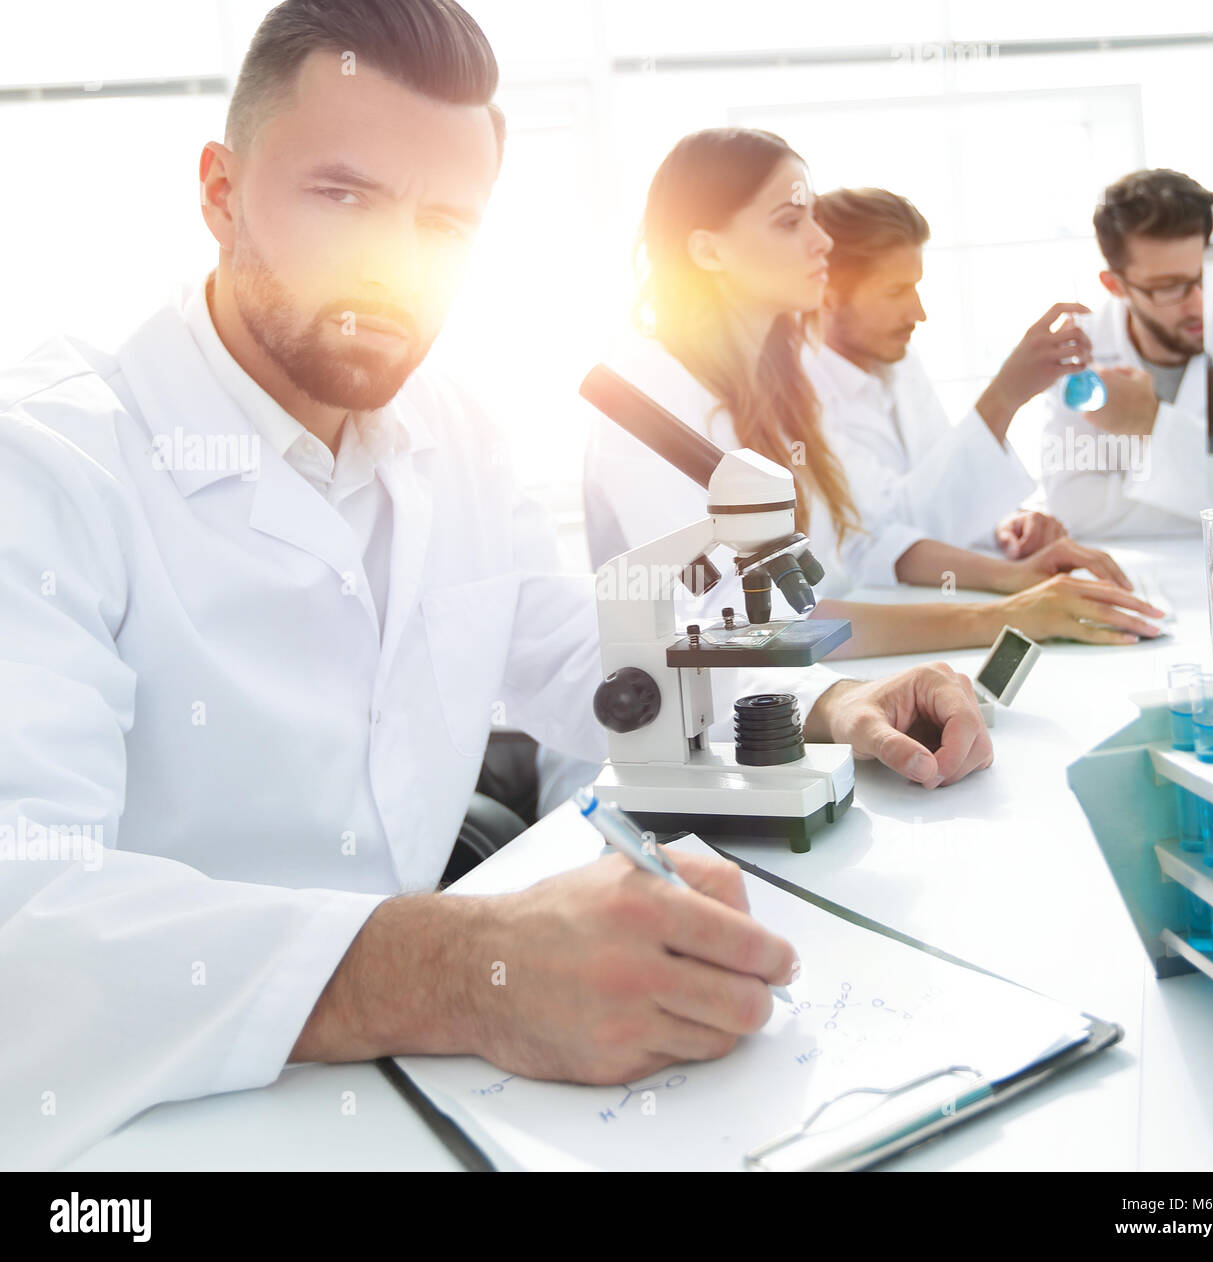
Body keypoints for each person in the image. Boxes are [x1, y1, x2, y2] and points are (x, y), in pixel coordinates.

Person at [0, 0, 995, 1170]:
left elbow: (576, 657)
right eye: (342, 196)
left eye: (444, 221)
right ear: (221, 191)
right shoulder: (49, 460)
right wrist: (472, 969)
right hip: (158, 1129)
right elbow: (26, 915)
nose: (394, 260)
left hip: (430, 1094)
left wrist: (816, 705)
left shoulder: (451, 424)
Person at [585, 129, 1165, 657]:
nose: (821, 243)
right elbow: (737, 627)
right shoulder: (646, 397)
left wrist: (1017, 580)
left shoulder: (779, 388)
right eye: (790, 223)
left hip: (800, 691)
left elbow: (863, 541)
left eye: (814, 217)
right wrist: (1002, 617)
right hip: (697, 736)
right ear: (708, 251)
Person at [808, 186, 1084, 570]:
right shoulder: (800, 393)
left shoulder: (898, 360)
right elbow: (890, 536)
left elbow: (940, 481)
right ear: (826, 295)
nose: (918, 313)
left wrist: (1005, 524)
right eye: (896, 291)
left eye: (916, 286)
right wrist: (1004, 396)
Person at [1040, 169, 1213, 535]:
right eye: (1169, 287)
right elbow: (1073, 507)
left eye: (1208, 276)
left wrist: (1151, 423)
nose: (1200, 304)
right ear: (1116, 285)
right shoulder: (1078, 352)